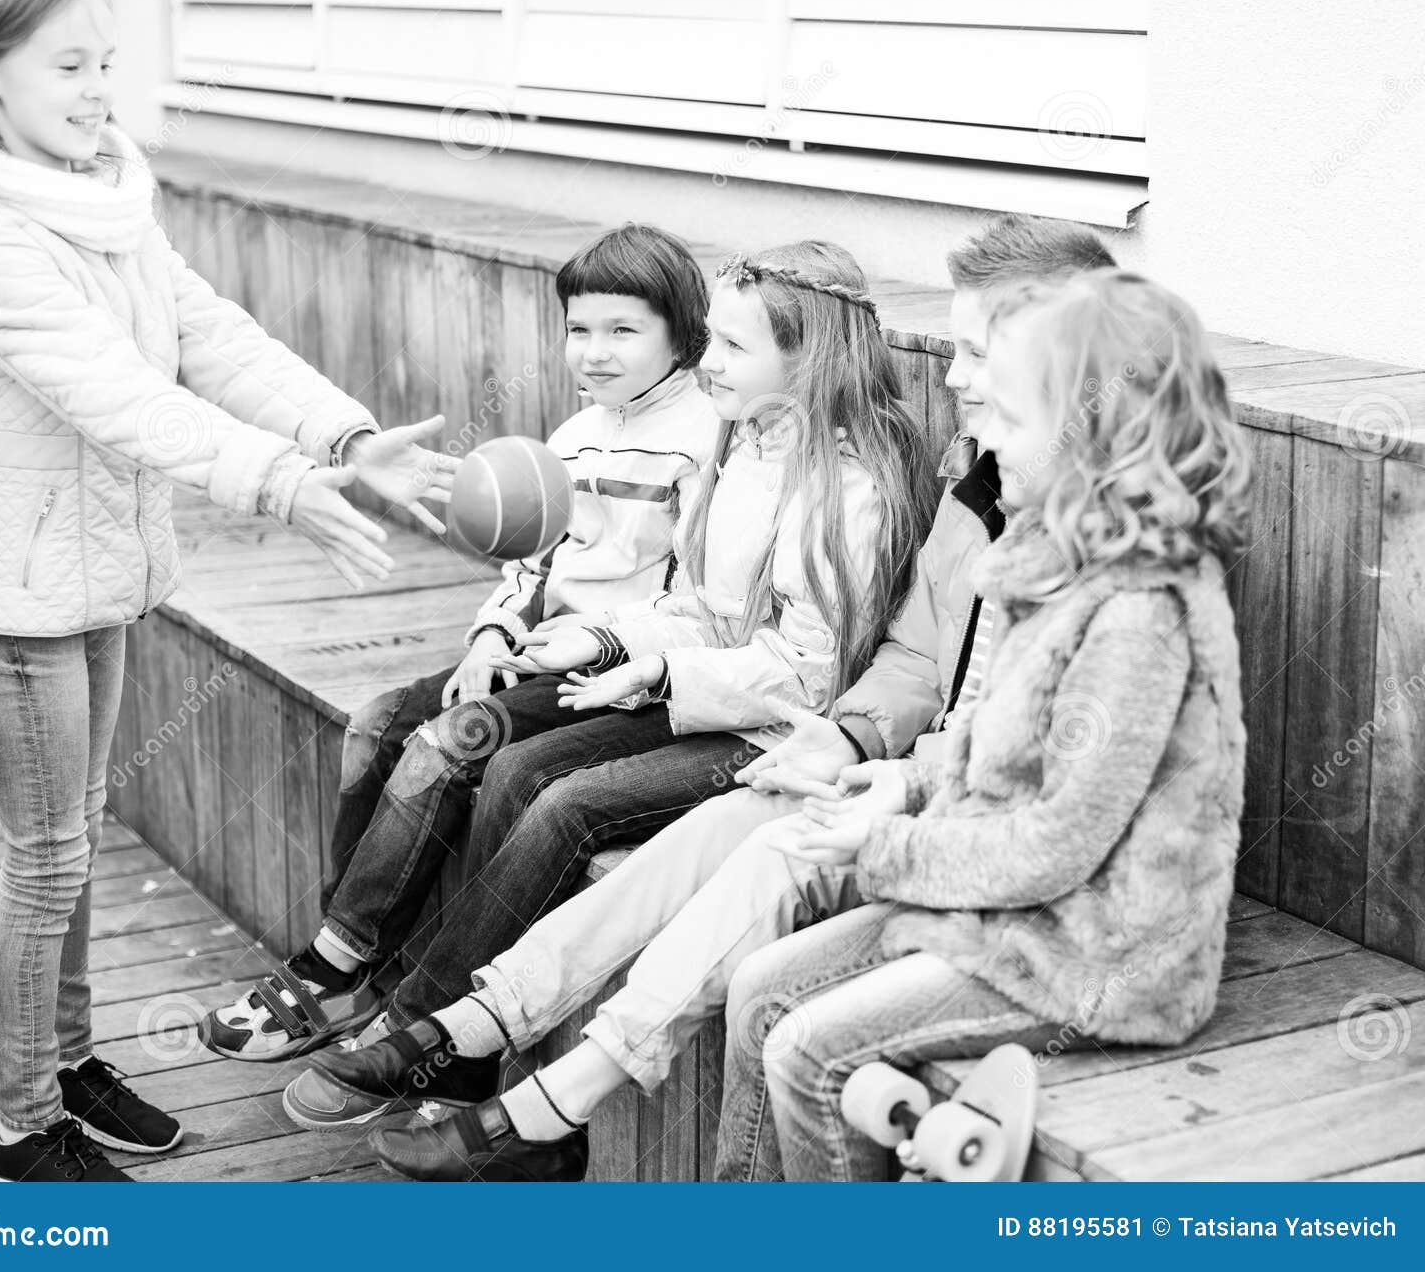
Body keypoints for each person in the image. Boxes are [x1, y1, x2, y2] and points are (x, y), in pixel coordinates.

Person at [351, 268, 1254, 1182]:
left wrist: (880, 839)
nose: (975, 431)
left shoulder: (1138, 611)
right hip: (994, 896)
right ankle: (513, 1058)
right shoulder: (1040, 555)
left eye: (1010, 420)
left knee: (805, 1043)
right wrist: (890, 778)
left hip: (1084, 952)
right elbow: (982, 743)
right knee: (757, 983)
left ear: (1097, 435)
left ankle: (534, 1095)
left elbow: (1058, 844)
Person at [0, 0, 453, 1181]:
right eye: (71, 67)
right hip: (21, 597)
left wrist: (346, 437)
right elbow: (127, 403)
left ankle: (67, 1060)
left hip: (97, 580)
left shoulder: (110, 202)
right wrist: (286, 484)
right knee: (45, 859)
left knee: (76, 840)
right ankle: (15, 1124)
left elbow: (214, 336)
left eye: (110, 63)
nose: (101, 90)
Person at [282, 241, 937, 1133]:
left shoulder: (850, 488)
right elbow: (697, 607)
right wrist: (604, 637)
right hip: (703, 694)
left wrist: (663, 669)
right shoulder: (744, 446)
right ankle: (456, 1051)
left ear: (806, 358)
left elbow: (810, 671)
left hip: (775, 737)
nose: (709, 362)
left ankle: (424, 1029)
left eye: (731, 348)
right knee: (507, 769)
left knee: (565, 805)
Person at [196, 223, 720, 1060]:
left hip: (618, 673)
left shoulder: (704, 439)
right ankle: (360, 959)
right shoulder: (575, 434)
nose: (596, 351)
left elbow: (697, 598)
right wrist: (489, 632)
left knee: (449, 746)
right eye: (580, 329)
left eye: (625, 330)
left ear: (682, 330)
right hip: (536, 649)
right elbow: (531, 564)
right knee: (376, 722)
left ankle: (333, 967)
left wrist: (592, 641)